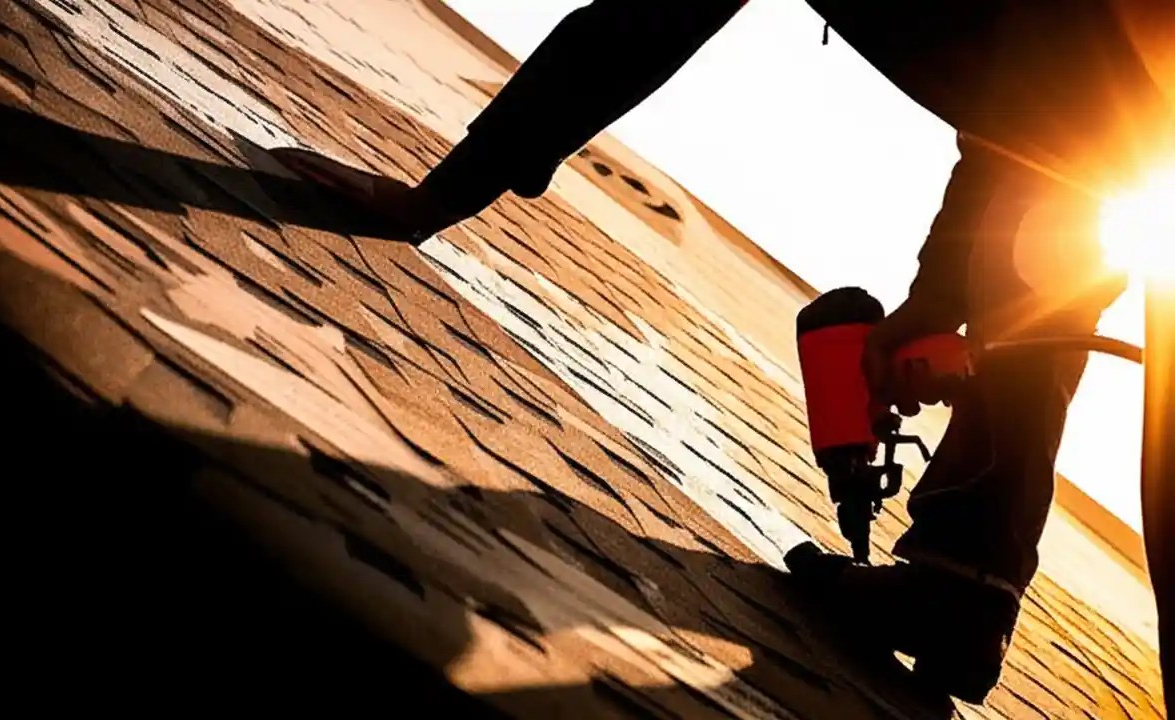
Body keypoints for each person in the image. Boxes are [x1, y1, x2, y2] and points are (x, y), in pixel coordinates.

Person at [274, 0, 1173, 704]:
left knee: (1062, 220)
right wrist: (938, 299)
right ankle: (962, 589)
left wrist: (449, 191)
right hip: (1096, 100)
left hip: (1109, 96)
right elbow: (1041, 110)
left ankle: (964, 588)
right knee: (1054, 217)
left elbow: (1052, 103)